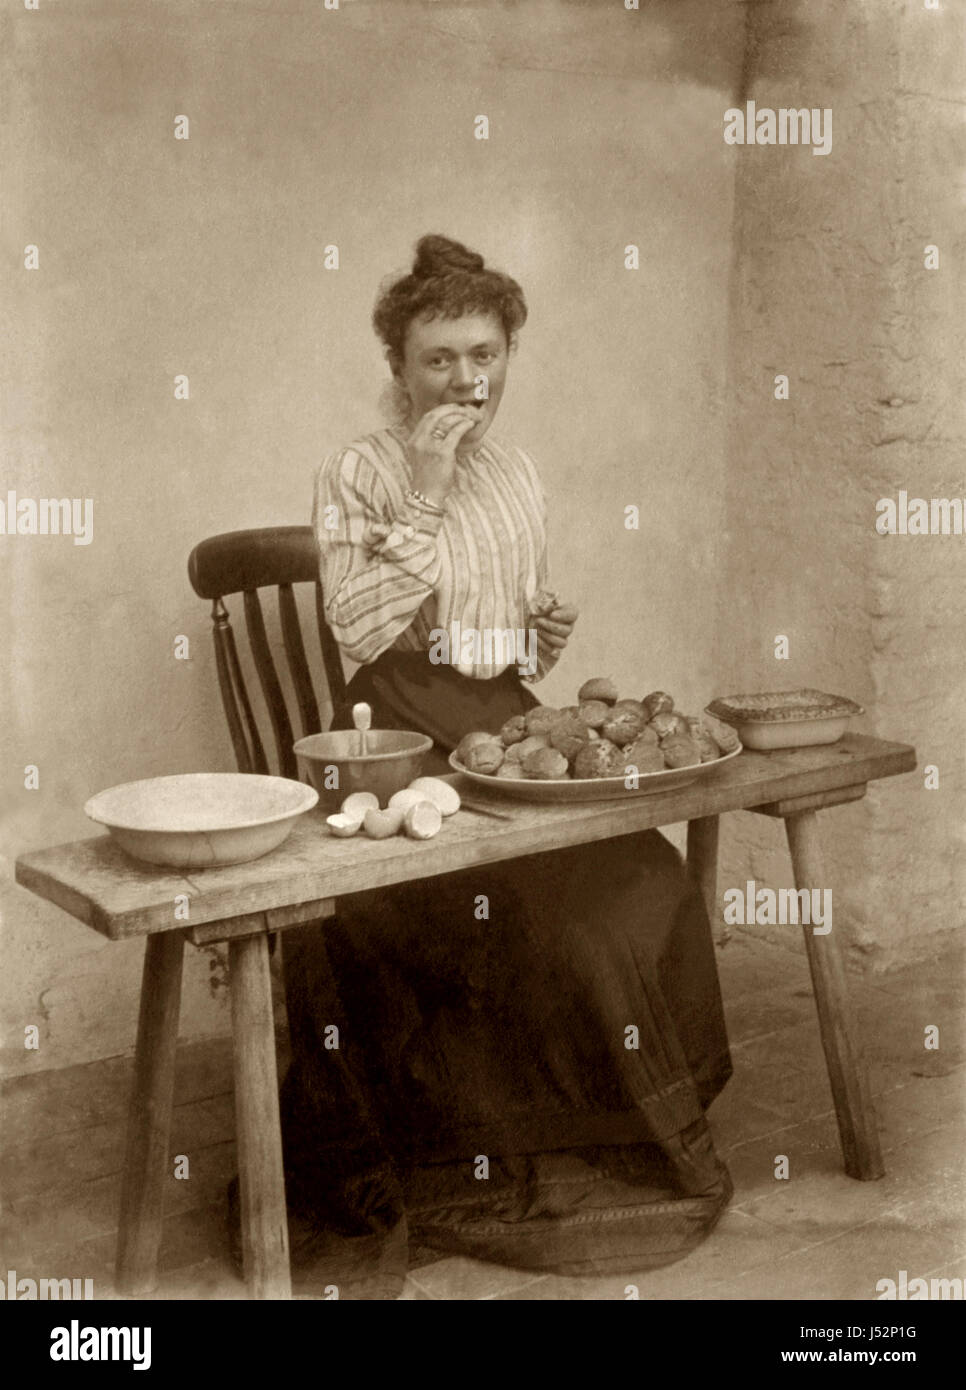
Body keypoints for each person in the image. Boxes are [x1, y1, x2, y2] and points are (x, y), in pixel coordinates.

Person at [245, 235, 734, 1299]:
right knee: (526, 915)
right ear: (398, 365)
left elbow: (508, 639)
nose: (467, 381)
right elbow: (365, 626)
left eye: (485, 353)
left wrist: (541, 630)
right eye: (439, 359)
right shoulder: (358, 470)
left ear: (508, 352)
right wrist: (423, 483)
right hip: (392, 738)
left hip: (501, 723)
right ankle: (501, 1147)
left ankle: (629, 1129)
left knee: (639, 876)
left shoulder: (516, 470)